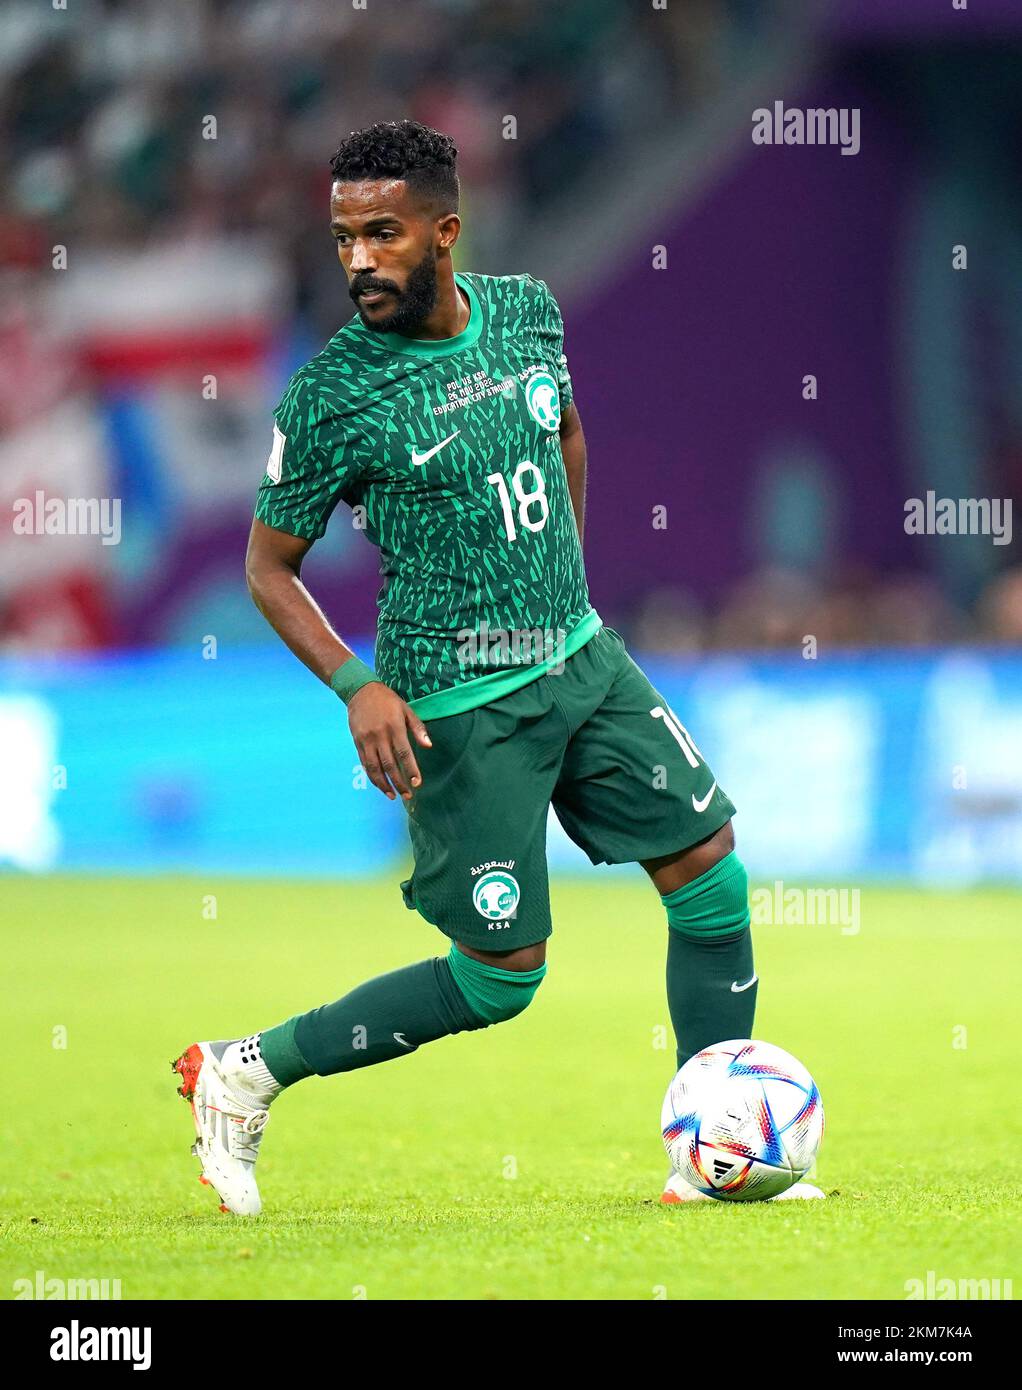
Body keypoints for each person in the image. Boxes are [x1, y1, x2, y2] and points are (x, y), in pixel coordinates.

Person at [172, 120, 813, 1213]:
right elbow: (268, 569)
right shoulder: (333, 396)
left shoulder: (525, 313)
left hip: (577, 654)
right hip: (458, 706)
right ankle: (245, 1071)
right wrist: (356, 684)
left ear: (445, 230)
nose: (360, 259)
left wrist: (559, 582)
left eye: (383, 232)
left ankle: (709, 1153)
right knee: (497, 979)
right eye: (342, 239)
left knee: (709, 868)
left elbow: (562, 431)